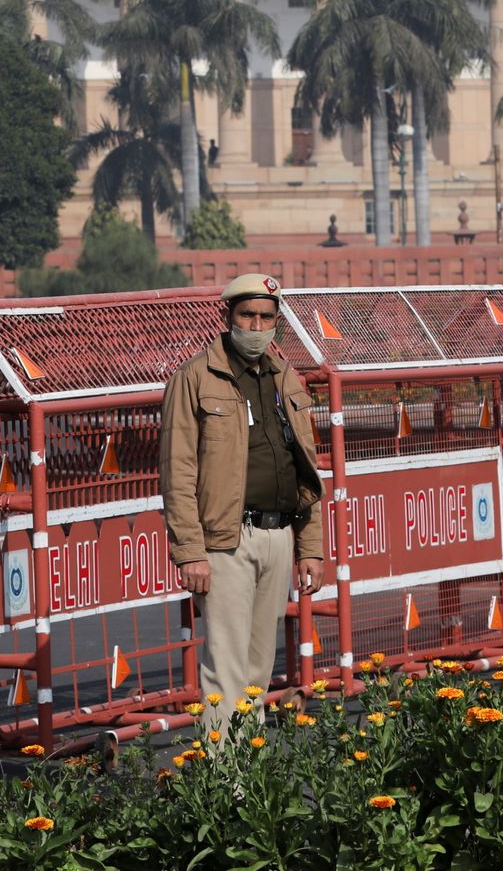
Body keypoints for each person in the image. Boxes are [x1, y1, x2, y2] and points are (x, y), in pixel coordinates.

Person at [160, 273, 324, 722]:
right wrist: (190, 552)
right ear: (227, 316)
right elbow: (177, 472)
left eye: (266, 317)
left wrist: (310, 547)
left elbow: (304, 467)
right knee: (226, 670)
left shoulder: (285, 378)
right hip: (226, 541)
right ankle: (223, 768)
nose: (256, 326)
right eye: (247, 315)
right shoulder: (194, 378)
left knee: (257, 671)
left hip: (278, 535)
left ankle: (248, 765)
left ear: (277, 322)